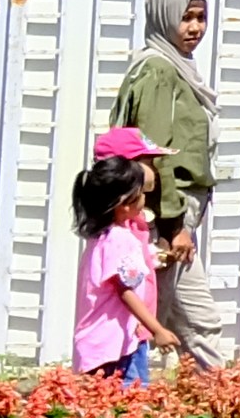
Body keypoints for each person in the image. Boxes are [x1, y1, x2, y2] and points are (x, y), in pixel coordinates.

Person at [109, 0, 231, 368]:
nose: (194, 27)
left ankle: (218, 405)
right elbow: (154, 153)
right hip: (165, 211)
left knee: (197, 318)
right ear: (163, 18)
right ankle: (124, 402)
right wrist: (174, 224)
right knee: (148, 315)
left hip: (178, 211)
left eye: (200, 17)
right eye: (185, 17)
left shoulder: (177, 68)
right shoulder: (159, 71)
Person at [66, 135, 167, 385]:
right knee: (129, 408)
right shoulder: (122, 239)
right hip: (118, 348)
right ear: (124, 204)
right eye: (140, 193)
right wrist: (157, 329)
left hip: (97, 345)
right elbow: (125, 290)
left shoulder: (101, 236)